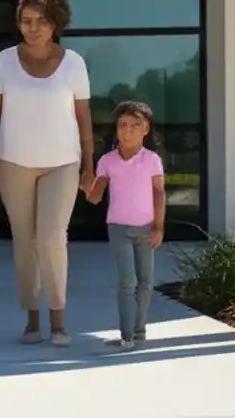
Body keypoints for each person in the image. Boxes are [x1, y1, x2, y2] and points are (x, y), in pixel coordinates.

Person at [0, 0, 93, 347]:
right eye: (26, 21)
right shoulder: (3, 62)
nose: (32, 28)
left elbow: (83, 120)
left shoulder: (74, 63)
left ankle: (58, 321)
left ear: (55, 23)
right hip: (14, 162)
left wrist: (89, 166)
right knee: (24, 242)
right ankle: (32, 320)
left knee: (51, 238)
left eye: (41, 21)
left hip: (62, 162)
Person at [83, 100, 166, 350]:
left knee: (145, 282)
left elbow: (159, 193)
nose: (127, 131)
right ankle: (127, 333)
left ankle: (139, 330)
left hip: (146, 227)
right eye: (122, 125)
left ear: (146, 129)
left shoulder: (152, 160)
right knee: (127, 282)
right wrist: (85, 183)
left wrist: (158, 226)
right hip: (118, 228)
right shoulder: (108, 161)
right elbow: (95, 196)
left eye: (134, 125)